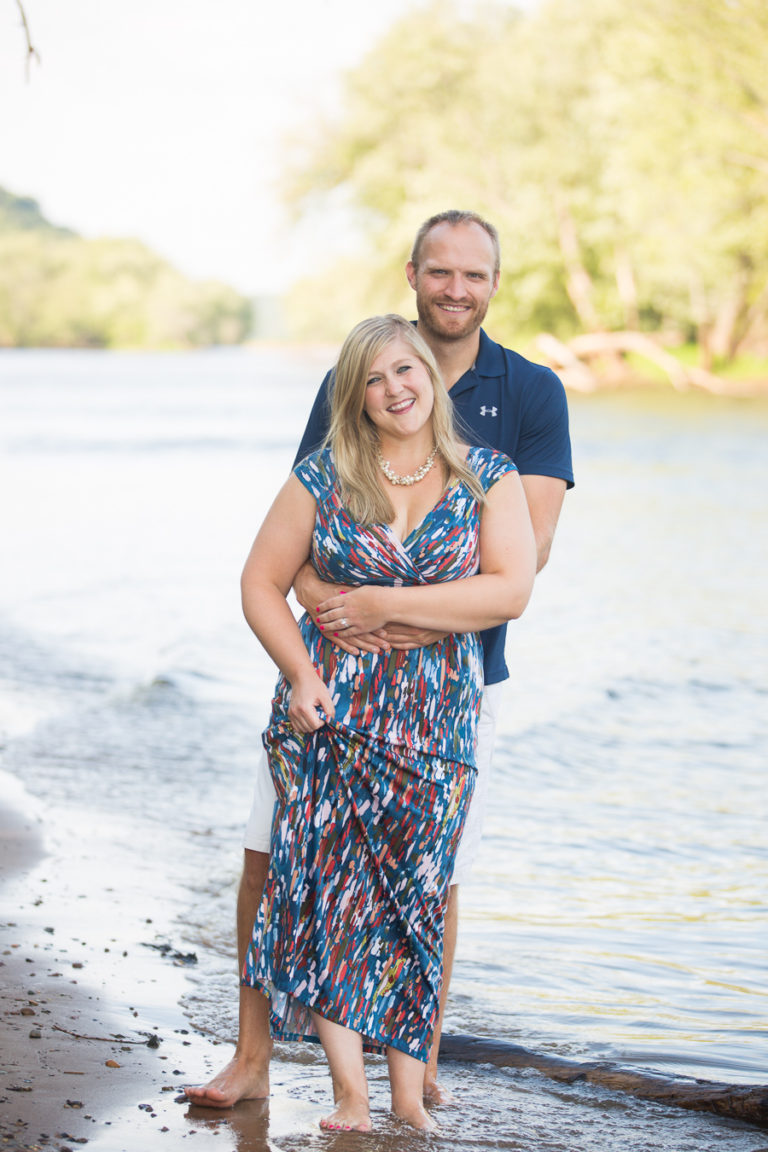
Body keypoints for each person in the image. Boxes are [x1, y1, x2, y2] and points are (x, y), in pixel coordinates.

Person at [185, 210, 573, 1111]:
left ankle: (417, 1071)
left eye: (473, 275)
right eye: (440, 272)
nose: (455, 289)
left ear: (494, 284)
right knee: (275, 859)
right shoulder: (350, 387)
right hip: (333, 680)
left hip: (452, 687)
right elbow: (299, 544)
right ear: (413, 276)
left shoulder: (528, 399)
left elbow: (526, 558)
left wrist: (399, 609)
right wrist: (329, 621)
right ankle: (256, 1057)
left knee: (427, 884)